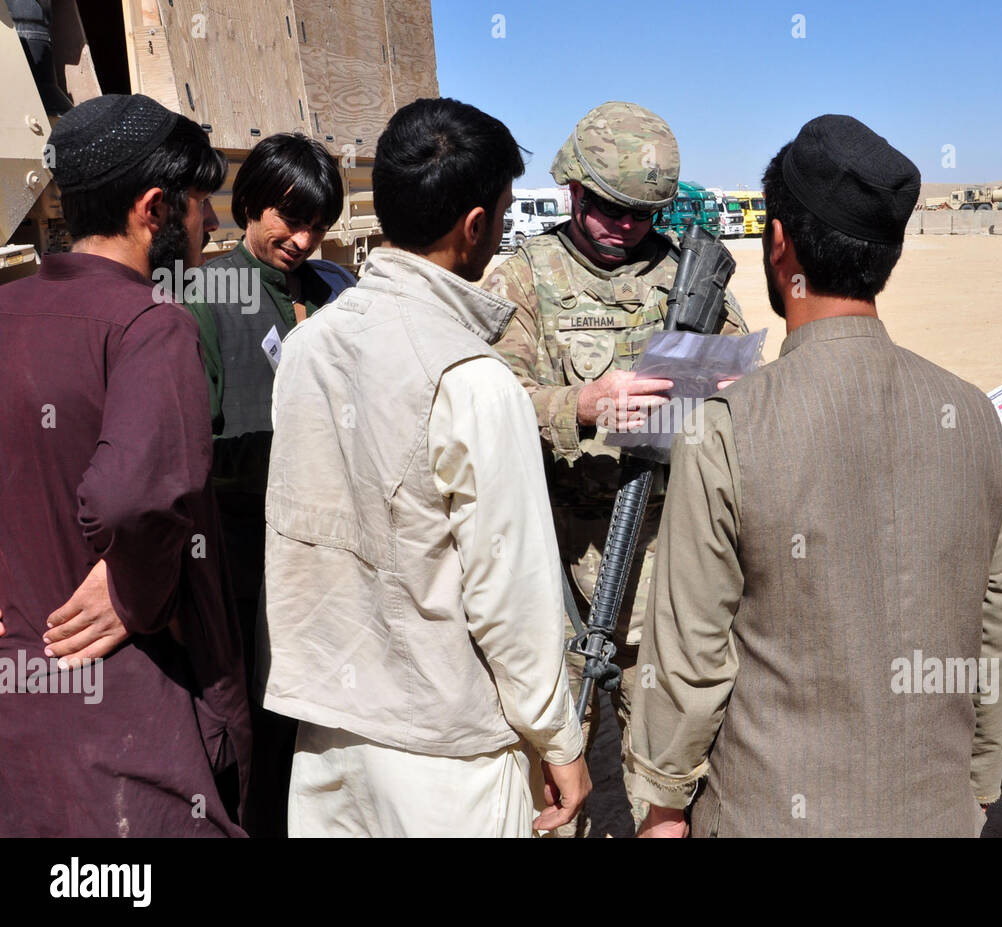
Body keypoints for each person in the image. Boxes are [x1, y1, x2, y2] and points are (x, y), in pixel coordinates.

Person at [628, 115, 1002, 838]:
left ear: (778, 245)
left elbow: (691, 654)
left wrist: (661, 803)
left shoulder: (728, 425)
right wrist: (980, 783)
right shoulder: (973, 418)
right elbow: (993, 632)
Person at [261, 97, 590, 837]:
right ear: (476, 226)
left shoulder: (309, 346)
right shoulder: (473, 378)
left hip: (327, 741)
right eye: (502, 216)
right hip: (447, 758)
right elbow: (512, 591)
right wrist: (559, 740)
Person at [487, 101, 748, 834]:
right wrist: (584, 404)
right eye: (607, 206)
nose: (624, 225)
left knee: (671, 780)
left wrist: (724, 389)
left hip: (666, 570)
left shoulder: (690, 281)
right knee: (551, 779)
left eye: (643, 213)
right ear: (571, 188)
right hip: (556, 573)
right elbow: (489, 405)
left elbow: (742, 389)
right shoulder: (524, 276)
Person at [0, 94, 249, 836]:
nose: (208, 224)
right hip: (128, 735)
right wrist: (136, 587)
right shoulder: (152, 325)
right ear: (153, 209)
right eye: (200, 204)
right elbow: (129, 501)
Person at [184, 132, 354, 836]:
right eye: (289, 218)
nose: (303, 238)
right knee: (259, 738)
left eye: (317, 224)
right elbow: (194, 448)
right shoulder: (205, 294)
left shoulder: (337, 289)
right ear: (249, 203)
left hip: (337, 561)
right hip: (250, 567)